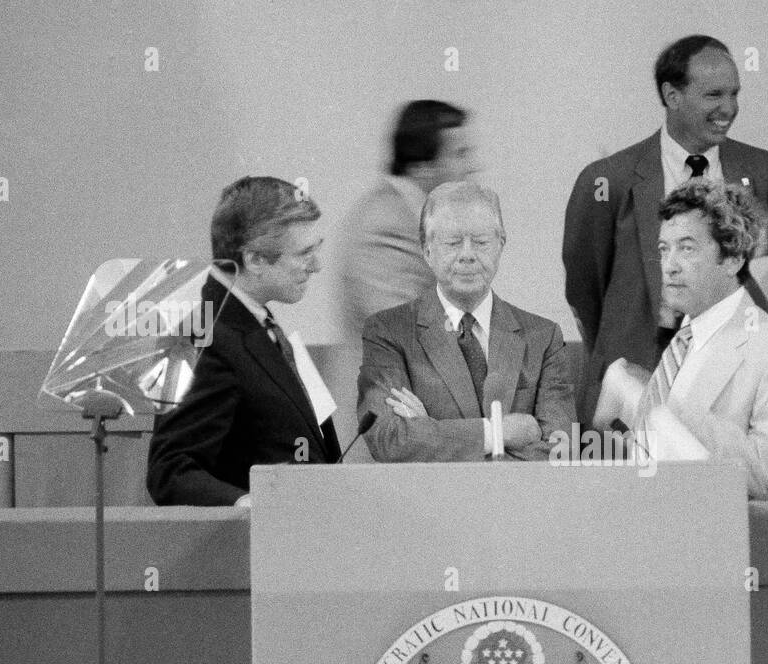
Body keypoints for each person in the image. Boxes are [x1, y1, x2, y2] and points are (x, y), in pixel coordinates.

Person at [562, 35, 768, 496]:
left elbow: (763, 269)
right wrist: (627, 340)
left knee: (713, 505)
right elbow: (585, 282)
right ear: (671, 96)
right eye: (714, 95)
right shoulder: (609, 179)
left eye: (735, 93)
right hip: (634, 375)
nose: (729, 107)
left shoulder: (759, 169)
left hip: (727, 375)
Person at [147, 176, 339, 506]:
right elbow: (171, 471)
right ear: (254, 260)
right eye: (305, 253)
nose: (317, 265)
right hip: (256, 543)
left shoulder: (253, 319)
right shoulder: (204, 337)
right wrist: (246, 503)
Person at [357, 181, 574, 461]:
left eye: (481, 242)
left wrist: (431, 432)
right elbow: (391, 438)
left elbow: (560, 450)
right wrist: (497, 433)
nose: (468, 255)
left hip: (519, 503)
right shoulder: (388, 332)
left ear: (501, 245)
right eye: (453, 243)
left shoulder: (543, 337)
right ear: (426, 250)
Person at [638, 179, 768, 500]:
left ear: (733, 259)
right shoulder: (681, 342)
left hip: (734, 540)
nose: (669, 266)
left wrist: (681, 419)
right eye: (665, 249)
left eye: (687, 248)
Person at [333, 100, 476, 343]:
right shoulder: (385, 227)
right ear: (422, 167)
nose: (471, 167)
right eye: (459, 154)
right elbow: (408, 333)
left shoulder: (415, 217)